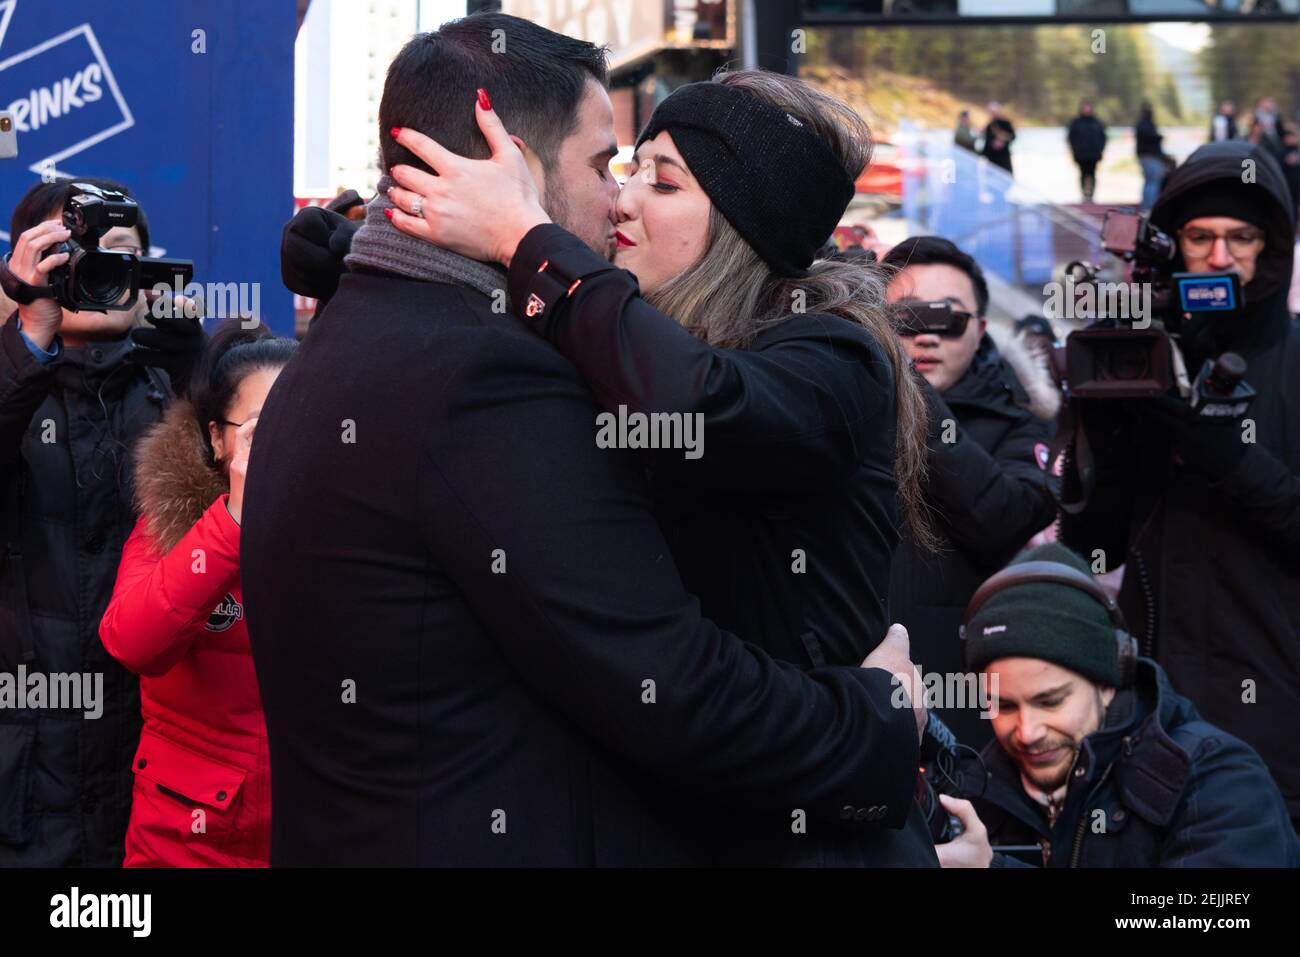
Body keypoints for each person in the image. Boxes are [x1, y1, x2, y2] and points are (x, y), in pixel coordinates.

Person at [244, 14, 935, 867]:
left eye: (660, 180)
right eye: (614, 165)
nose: (623, 199)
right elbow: (666, 688)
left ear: (742, 231)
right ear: (514, 170)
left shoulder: (826, 353)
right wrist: (873, 721)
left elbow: (702, 403)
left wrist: (521, 240)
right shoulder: (487, 370)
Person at [1058, 140, 1300, 832]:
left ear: (1271, 245)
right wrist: (1095, 432)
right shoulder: (1136, 357)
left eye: (1240, 237)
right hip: (1152, 718)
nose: (1220, 256)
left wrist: (1225, 456)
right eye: (1200, 236)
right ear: (1174, 246)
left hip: (1278, 722)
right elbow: (1094, 544)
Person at [0, 178, 204, 866]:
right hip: (22, 789)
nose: (99, 272)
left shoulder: (180, 392)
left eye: (119, 256)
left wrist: (198, 380)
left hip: (151, 788)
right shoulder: (10, 383)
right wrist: (27, 337)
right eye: (74, 256)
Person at [934, 544, 1300, 868]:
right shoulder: (972, 793)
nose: (1028, 731)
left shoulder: (1219, 782)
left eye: (1051, 701)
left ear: (1109, 682)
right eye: (1004, 705)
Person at [99, 321, 294, 867]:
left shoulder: (346, 520)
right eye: (260, 428)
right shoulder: (174, 522)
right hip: (188, 840)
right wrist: (233, 520)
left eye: (297, 421)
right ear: (215, 438)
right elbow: (132, 642)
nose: (282, 441)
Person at [880, 237, 1059, 747]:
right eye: (908, 318)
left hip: (961, 709)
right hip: (840, 694)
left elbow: (1000, 518)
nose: (927, 336)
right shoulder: (839, 406)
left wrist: (905, 382)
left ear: (980, 329)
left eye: (949, 318)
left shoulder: (1023, 423)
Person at [1066, 100, 1107, 202]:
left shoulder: (1097, 122)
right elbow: (1071, 138)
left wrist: (1100, 150)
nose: (1087, 110)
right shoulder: (1076, 123)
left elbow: (1103, 138)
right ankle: (1084, 194)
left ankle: (1091, 194)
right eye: (1085, 108)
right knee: (1083, 174)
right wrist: (1075, 150)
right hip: (1081, 155)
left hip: (1094, 154)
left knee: (1092, 174)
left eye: (1088, 108)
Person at [1135, 103, 1164, 212]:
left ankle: (1147, 207)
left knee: (1149, 183)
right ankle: (1149, 207)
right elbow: (1150, 138)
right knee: (1152, 183)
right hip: (1150, 157)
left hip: (1148, 156)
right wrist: (1159, 137)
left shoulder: (1144, 124)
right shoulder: (1145, 125)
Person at [981, 102, 1015, 175]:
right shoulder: (989, 126)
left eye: (994, 112)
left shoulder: (1005, 124)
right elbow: (987, 142)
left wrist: (1002, 143)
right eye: (990, 112)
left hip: (1003, 158)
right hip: (992, 160)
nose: (992, 114)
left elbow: (1012, 136)